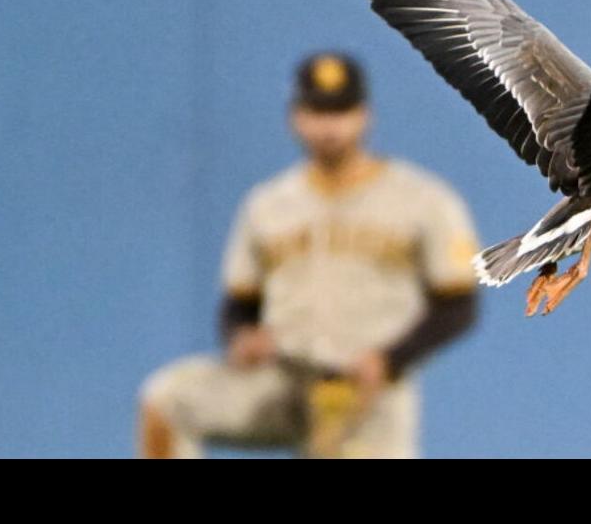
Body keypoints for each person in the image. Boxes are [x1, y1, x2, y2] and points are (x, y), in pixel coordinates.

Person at [138, 52, 481, 458]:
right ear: (295, 117)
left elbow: (458, 305)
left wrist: (389, 361)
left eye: (341, 111)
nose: (329, 126)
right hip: (284, 377)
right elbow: (239, 304)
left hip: (368, 389)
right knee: (167, 399)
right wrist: (241, 337)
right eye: (318, 112)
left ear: (365, 115)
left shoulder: (423, 199)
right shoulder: (267, 205)